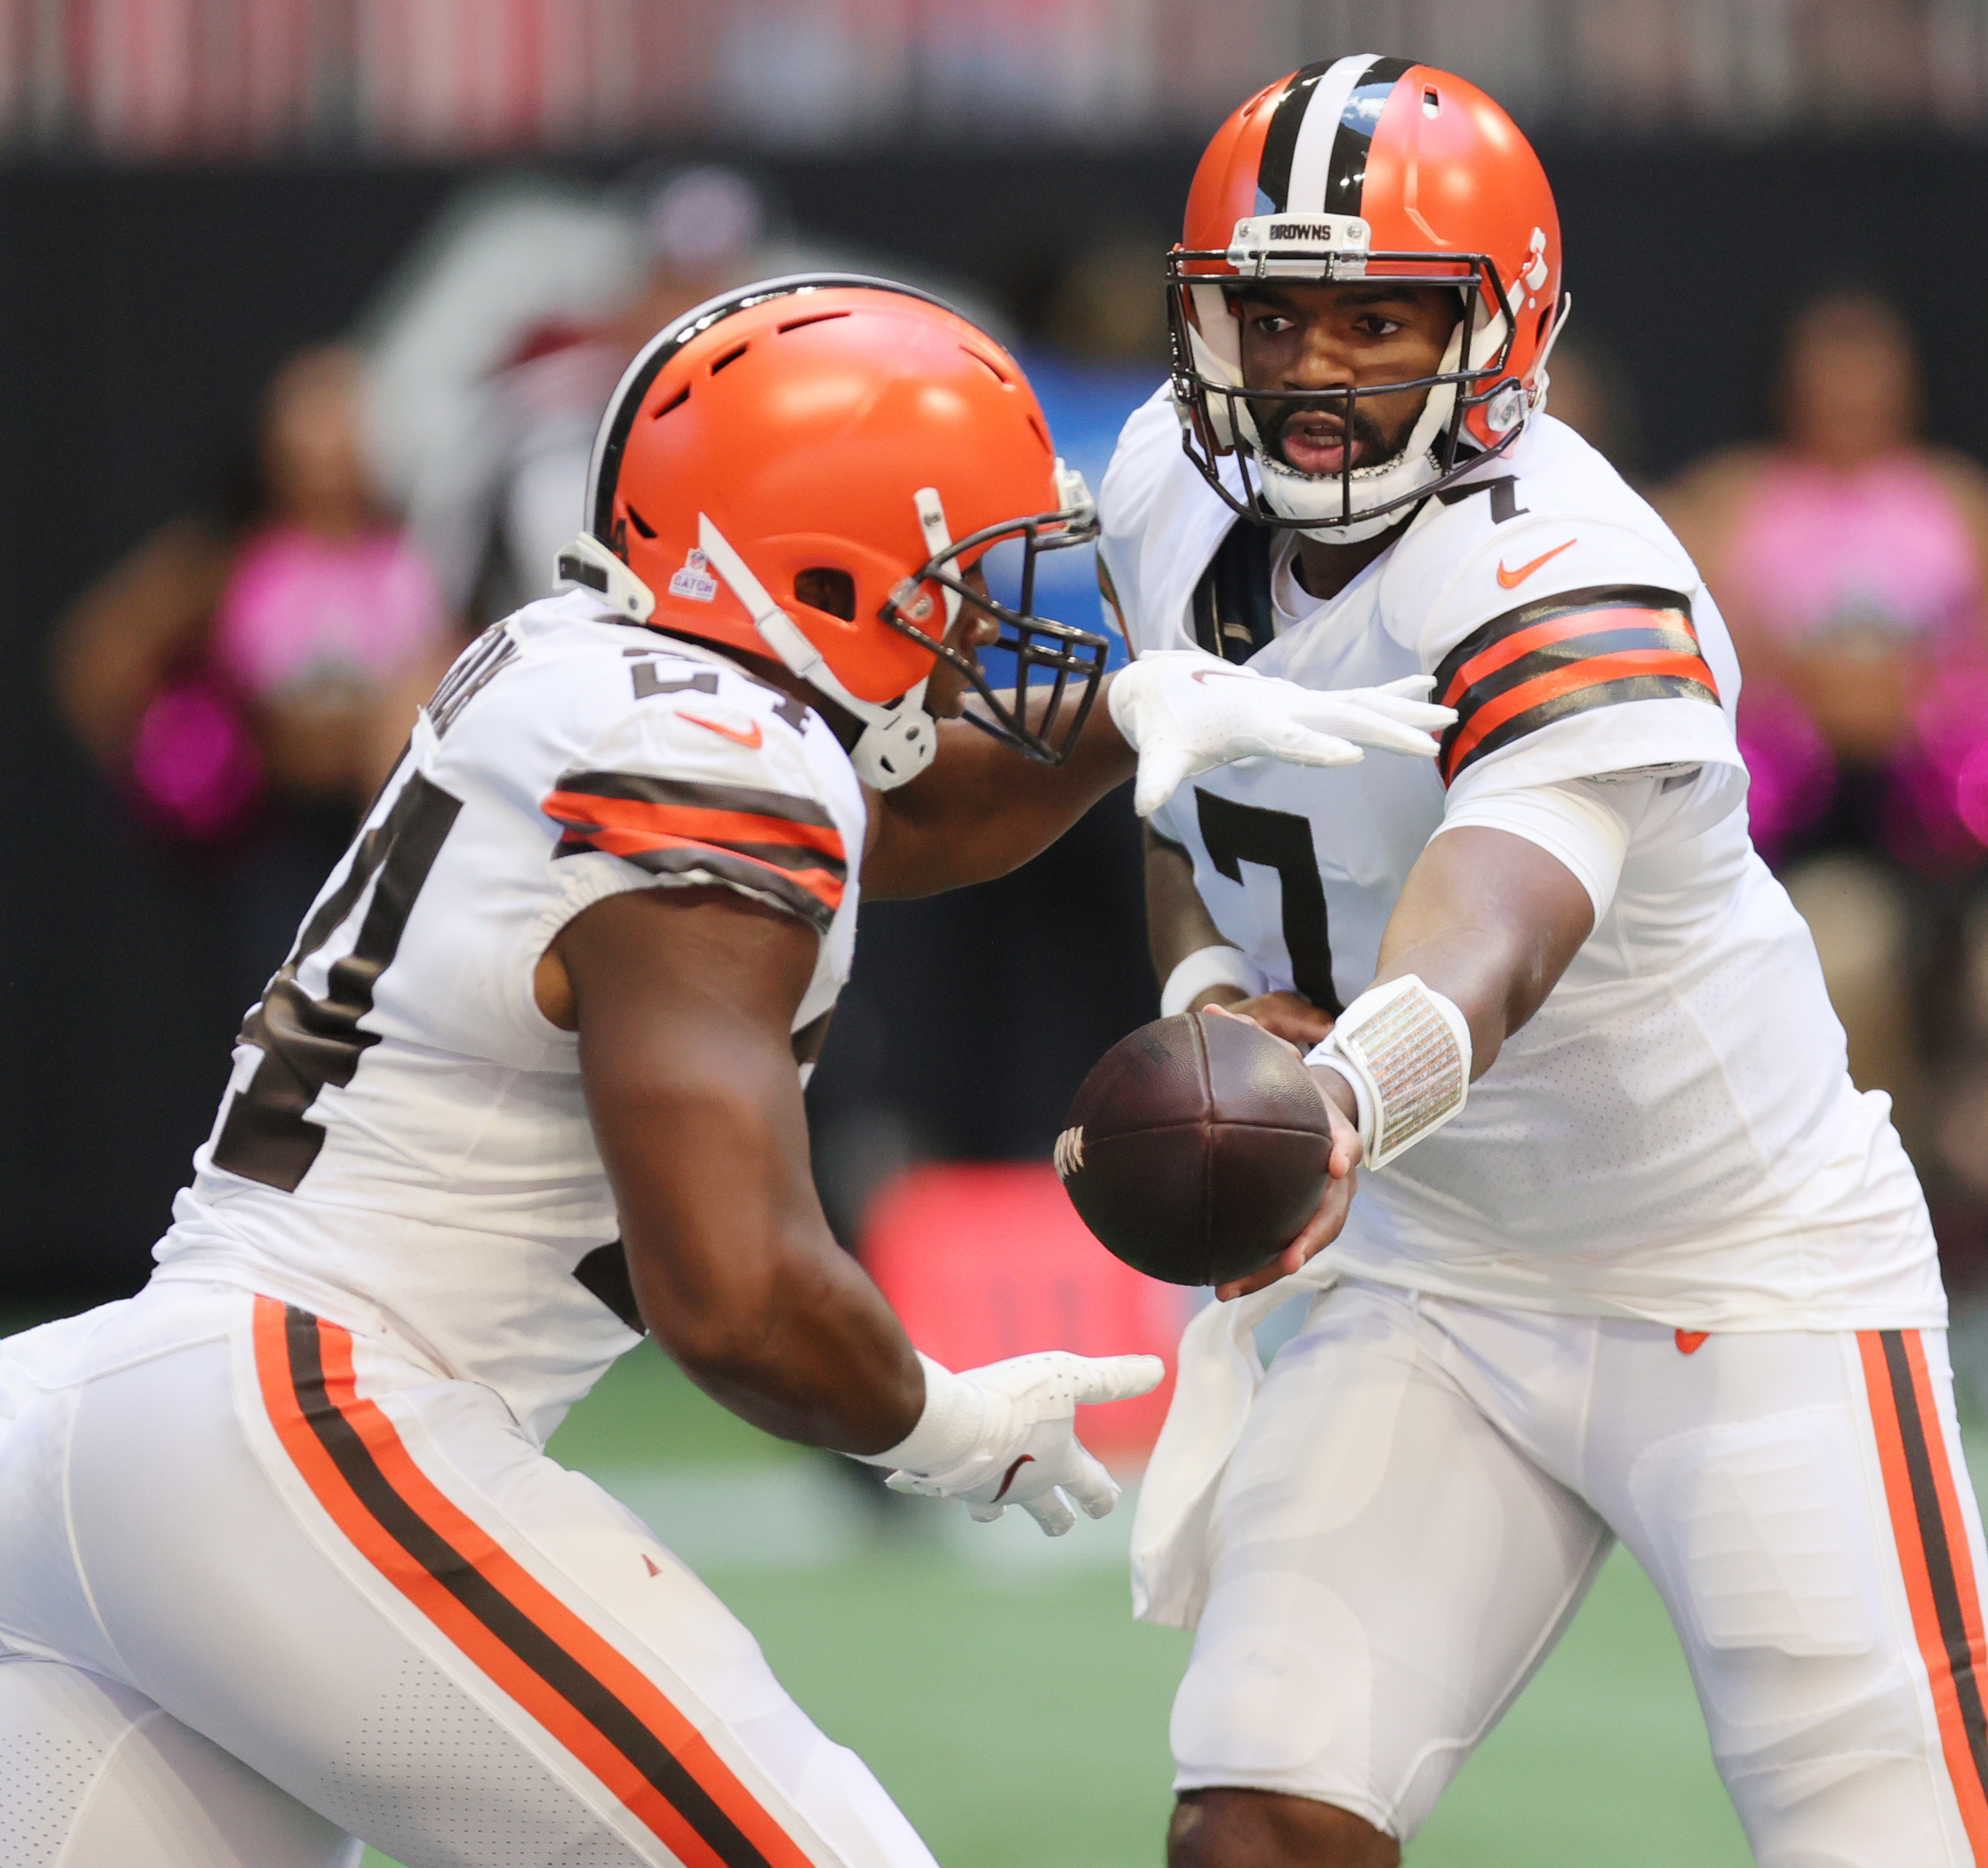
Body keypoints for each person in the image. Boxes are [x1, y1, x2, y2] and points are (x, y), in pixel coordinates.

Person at [0, 278, 1451, 1867]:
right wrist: (947, 1423)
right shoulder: (714, 760)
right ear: (832, 569)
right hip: (314, 1424)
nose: (982, 619)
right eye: (957, 572)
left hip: (130, 1432)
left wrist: (1120, 715)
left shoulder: (576, 658)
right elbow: (737, 1293)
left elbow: (886, 822)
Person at [1101, 60, 1988, 1868]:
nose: (1310, 368)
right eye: (1271, 314)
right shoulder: (1164, 489)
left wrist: (1327, 1105)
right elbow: (1189, 808)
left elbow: (1492, 939)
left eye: (1379, 320)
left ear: (1505, 326)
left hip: (1738, 1269)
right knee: (1257, 1822)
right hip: (1438, 1269)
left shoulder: (1570, 569)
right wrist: (1212, 1002)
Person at [1654, 289, 1988, 1405]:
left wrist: (1958, 674)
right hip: (1800, 861)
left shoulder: (1946, 498)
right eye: (1830, 375)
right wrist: (1789, 671)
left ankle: (1978, 1269)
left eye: (1873, 375)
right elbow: (1651, 578)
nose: (1851, 397)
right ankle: (1822, 1283)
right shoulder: (1739, 497)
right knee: (1842, 981)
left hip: (1948, 859)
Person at [49, 344, 449, 1003]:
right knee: (275, 1004)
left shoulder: (432, 545)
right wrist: (170, 756)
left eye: (347, 416)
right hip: (275, 838)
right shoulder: (231, 556)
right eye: (311, 418)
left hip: (390, 831)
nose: (331, 444)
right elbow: (98, 657)